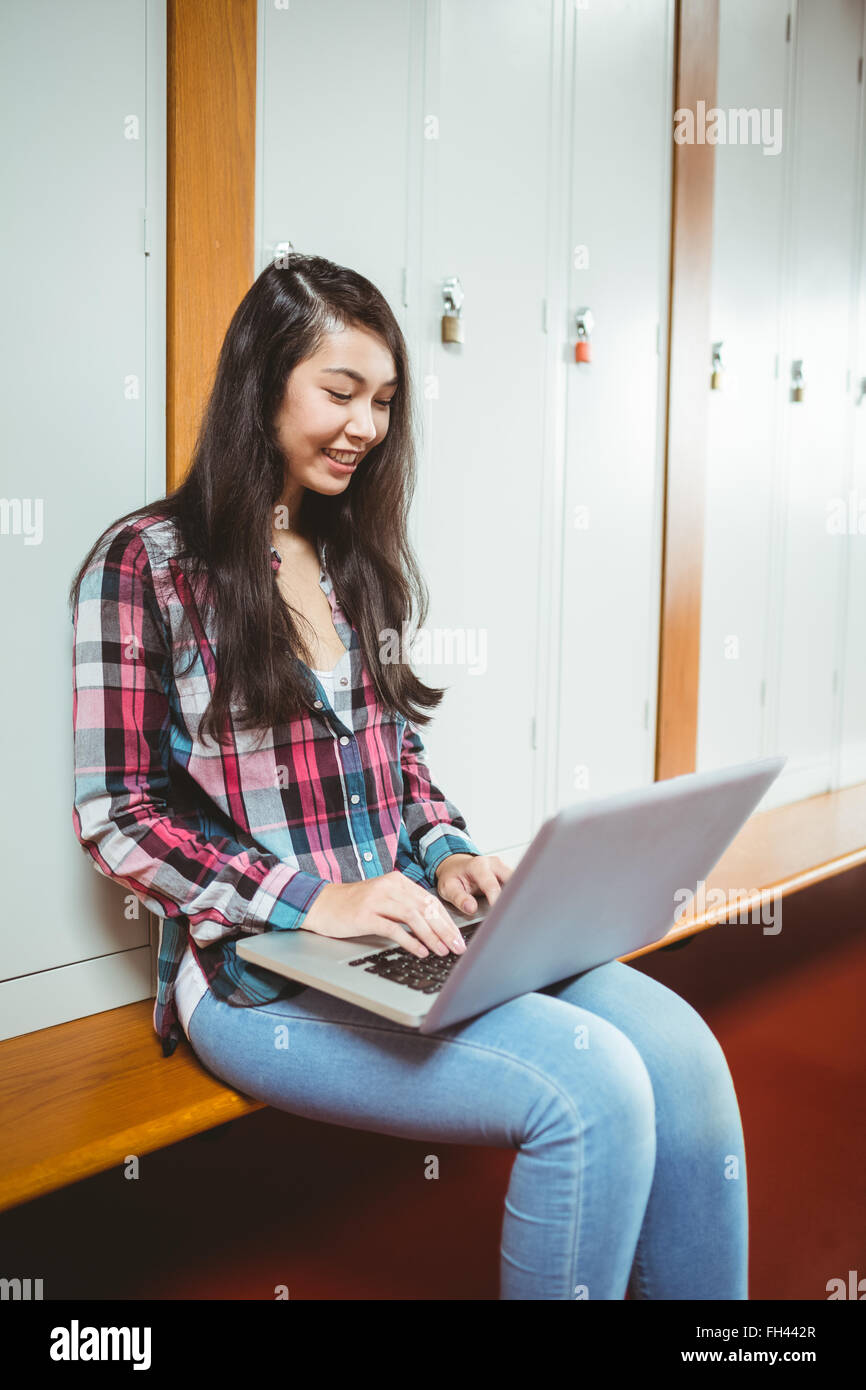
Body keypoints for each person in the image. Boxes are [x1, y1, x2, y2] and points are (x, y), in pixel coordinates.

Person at [69, 252, 748, 1300]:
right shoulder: (145, 562)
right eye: (339, 392)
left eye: (383, 400)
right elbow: (117, 813)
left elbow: (395, 759)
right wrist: (316, 898)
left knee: (684, 1053)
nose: (366, 426)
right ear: (261, 385)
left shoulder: (347, 554)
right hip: (258, 976)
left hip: (409, 931)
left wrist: (448, 850)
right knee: (593, 1088)